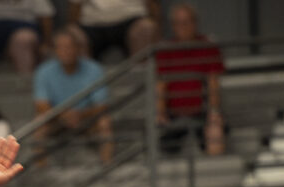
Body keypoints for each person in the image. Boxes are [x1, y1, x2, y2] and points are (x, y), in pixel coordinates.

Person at [33, 29, 114, 164]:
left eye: (70, 47)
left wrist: (80, 115)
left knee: (104, 122)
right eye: (61, 47)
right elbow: (41, 105)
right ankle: (40, 171)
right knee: (39, 122)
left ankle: (107, 166)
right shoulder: (43, 72)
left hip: (86, 117)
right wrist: (63, 115)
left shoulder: (94, 69)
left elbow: (102, 105)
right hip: (57, 118)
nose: (66, 51)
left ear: (78, 49)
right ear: (55, 51)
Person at [155, 3, 225, 156]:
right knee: (163, 139)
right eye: (178, 23)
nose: (183, 27)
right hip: (174, 114)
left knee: (215, 130)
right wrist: (160, 113)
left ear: (195, 23)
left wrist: (213, 112)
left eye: (186, 22)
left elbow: (213, 82)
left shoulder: (207, 46)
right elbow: (161, 85)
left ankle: (216, 175)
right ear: (172, 26)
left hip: (201, 112)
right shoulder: (165, 50)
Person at [68, 0, 159, 62]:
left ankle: (142, 84)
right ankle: (85, 86)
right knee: (73, 35)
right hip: (92, 23)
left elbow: (151, 4)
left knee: (146, 27)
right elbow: (75, 7)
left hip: (131, 19)